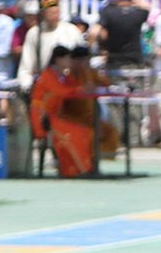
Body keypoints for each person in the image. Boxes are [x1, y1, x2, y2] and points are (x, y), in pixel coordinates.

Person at [30, 45, 118, 178]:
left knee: (102, 130)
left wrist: (84, 84)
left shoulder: (64, 76)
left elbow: (75, 87)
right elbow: (60, 91)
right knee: (79, 133)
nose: (69, 62)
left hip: (58, 117)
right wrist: (81, 90)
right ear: (58, 59)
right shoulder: (48, 75)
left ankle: (87, 166)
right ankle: (80, 169)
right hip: (45, 117)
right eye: (66, 59)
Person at [15, 0, 83, 91]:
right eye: (50, 12)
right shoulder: (34, 33)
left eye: (56, 12)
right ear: (43, 14)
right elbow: (26, 65)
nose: (54, 16)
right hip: (44, 86)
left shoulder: (71, 31)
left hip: (70, 85)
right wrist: (27, 86)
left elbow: (82, 60)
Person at [95, 0, 148, 68]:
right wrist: (135, 0)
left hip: (114, 59)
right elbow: (147, 7)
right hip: (135, 58)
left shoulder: (108, 12)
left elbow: (97, 33)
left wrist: (100, 48)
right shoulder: (139, 13)